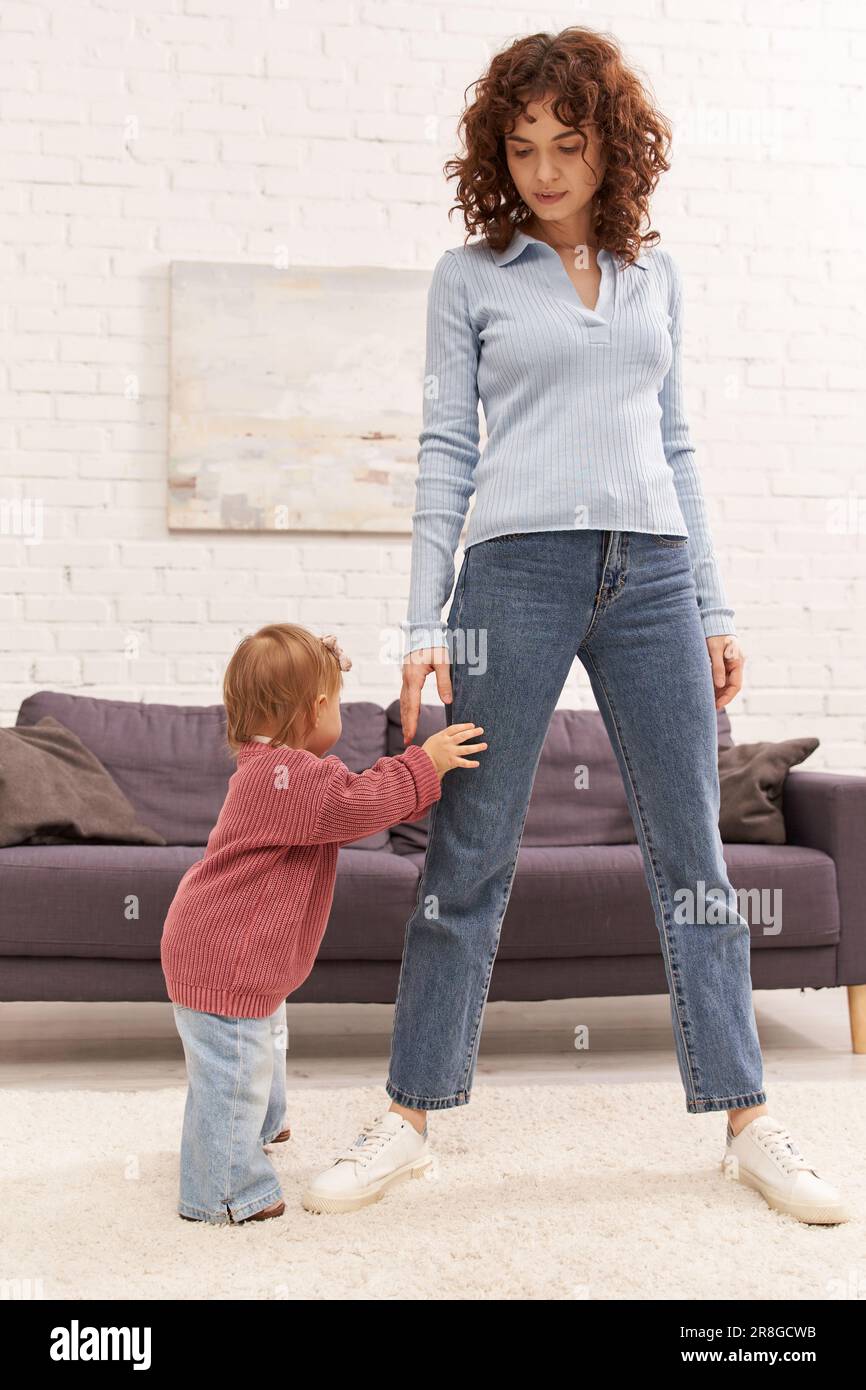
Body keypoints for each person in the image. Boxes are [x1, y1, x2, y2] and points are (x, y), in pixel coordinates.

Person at [303, 27, 848, 1226]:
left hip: (650, 573)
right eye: (522, 143)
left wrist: (712, 599)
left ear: (611, 146)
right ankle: (407, 1116)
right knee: (469, 848)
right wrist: (419, 624)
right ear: (499, 152)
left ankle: (747, 1121)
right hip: (511, 575)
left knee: (691, 853)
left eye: (569, 140)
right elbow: (447, 447)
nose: (545, 167)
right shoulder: (473, 276)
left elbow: (677, 441)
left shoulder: (657, 277)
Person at [160, 623, 485, 1223]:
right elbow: (356, 804)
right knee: (232, 1065)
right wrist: (426, 763)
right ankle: (223, 1192)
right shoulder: (291, 776)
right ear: (313, 709)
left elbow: (356, 801)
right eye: (334, 701)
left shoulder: (274, 768)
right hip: (223, 953)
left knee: (253, 1048)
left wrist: (421, 777)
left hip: (227, 948)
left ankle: (259, 1124)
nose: (338, 714)